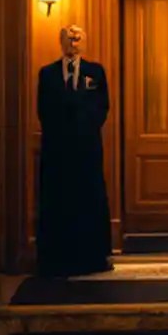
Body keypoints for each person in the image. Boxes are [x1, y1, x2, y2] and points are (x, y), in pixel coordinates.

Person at [35, 25, 113, 277]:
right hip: (57, 150)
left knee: (89, 199)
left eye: (78, 38)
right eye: (69, 38)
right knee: (57, 200)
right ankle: (56, 258)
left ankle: (93, 256)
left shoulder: (95, 72)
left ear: (85, 42)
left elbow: (103, 107)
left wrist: (84, 129)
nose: (73, 43)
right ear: (61, 42)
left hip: (87, 149)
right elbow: (43, 110)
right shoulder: (47, 74)